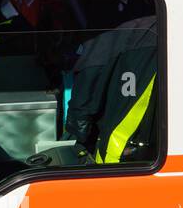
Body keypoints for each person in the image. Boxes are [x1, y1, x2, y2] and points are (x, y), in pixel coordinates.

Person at [64, 15, 158, 164]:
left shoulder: (102, 35)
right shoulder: (161, 25)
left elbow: (85, 91)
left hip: (121, 149)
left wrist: (80, 133)